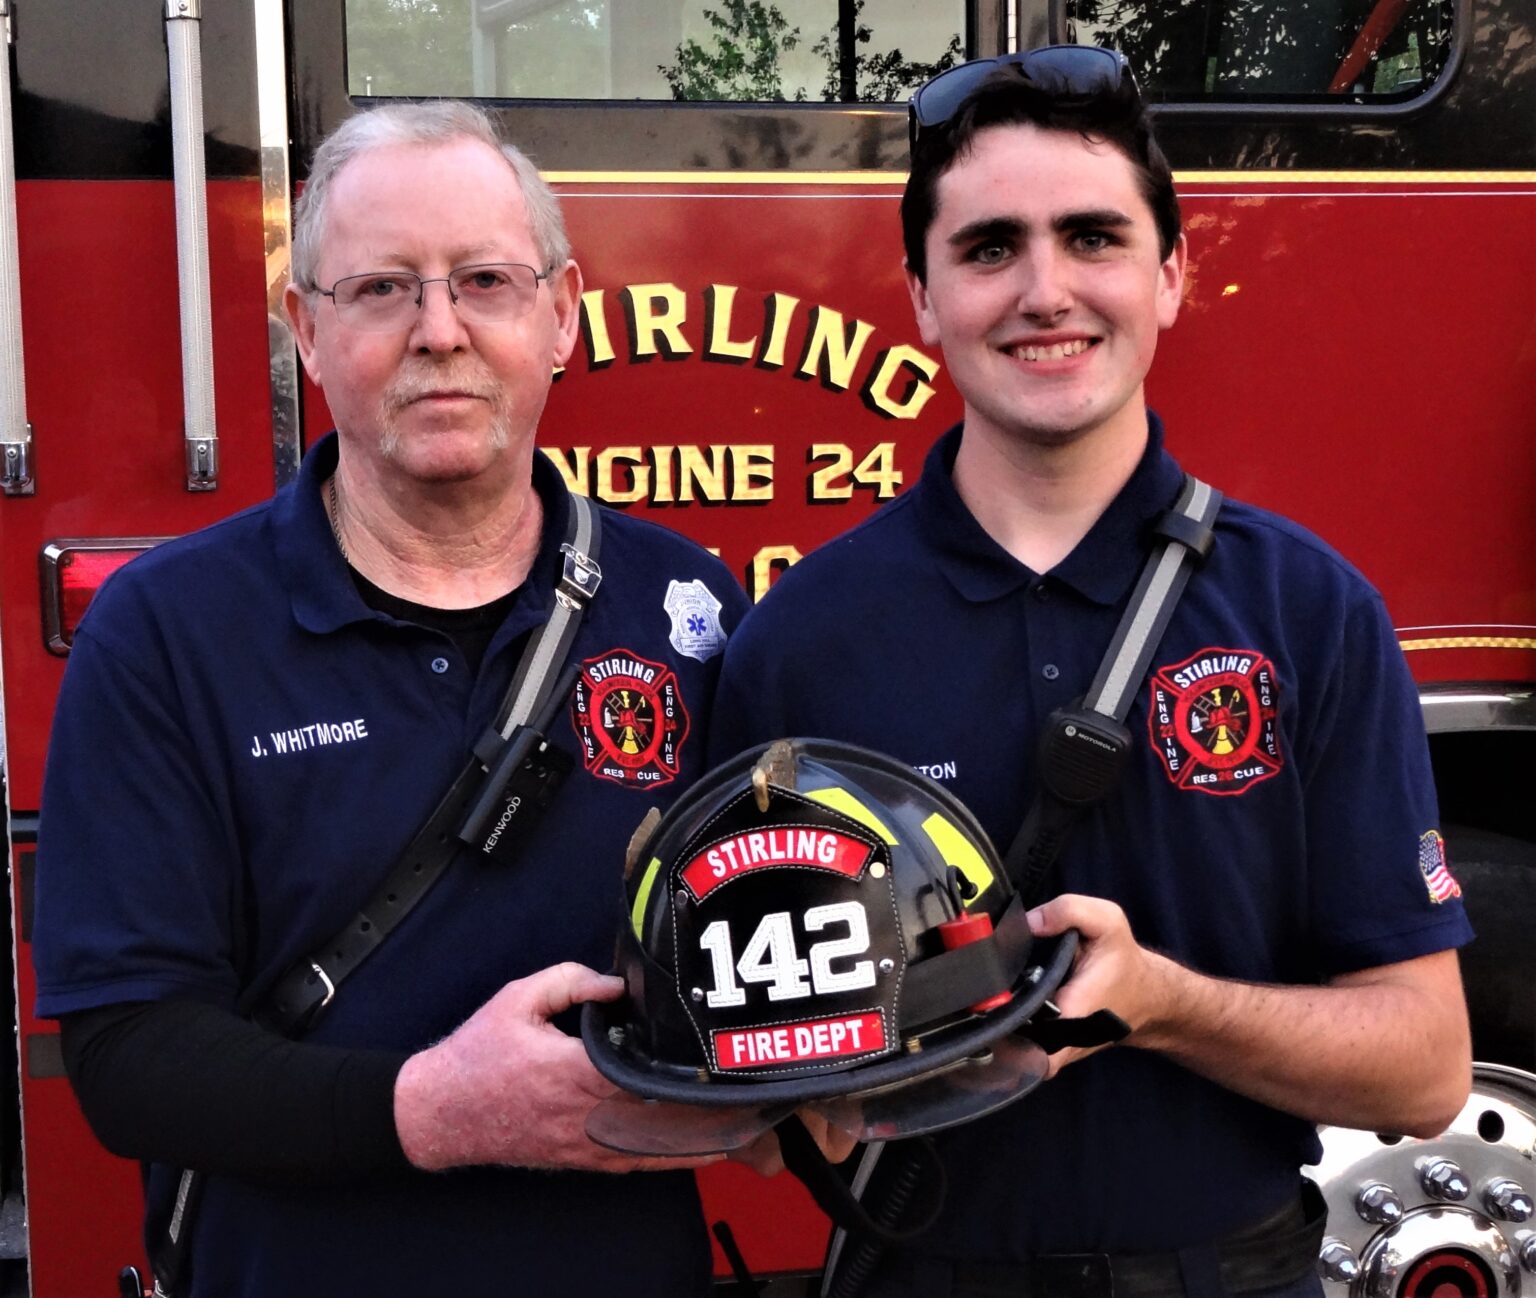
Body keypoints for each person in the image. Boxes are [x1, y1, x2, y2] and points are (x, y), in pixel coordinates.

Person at [708, 47, 1473, 1298]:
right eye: (991, 247)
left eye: (1094, 238)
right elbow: (770, 1120)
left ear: (1171, 275)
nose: (1046, 290)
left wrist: (1163, 1001)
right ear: (921, 295)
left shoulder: (1309, 611)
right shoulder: (801, 639)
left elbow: (1427, 1064)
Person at [33, 102, 755, 1296]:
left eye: (484, 279)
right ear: (305, 329)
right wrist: (435, 1109)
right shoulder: (165, 634)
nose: (440, 331)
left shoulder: (687, 604)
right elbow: (129, 1053)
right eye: (381, 290)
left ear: (561, 311)